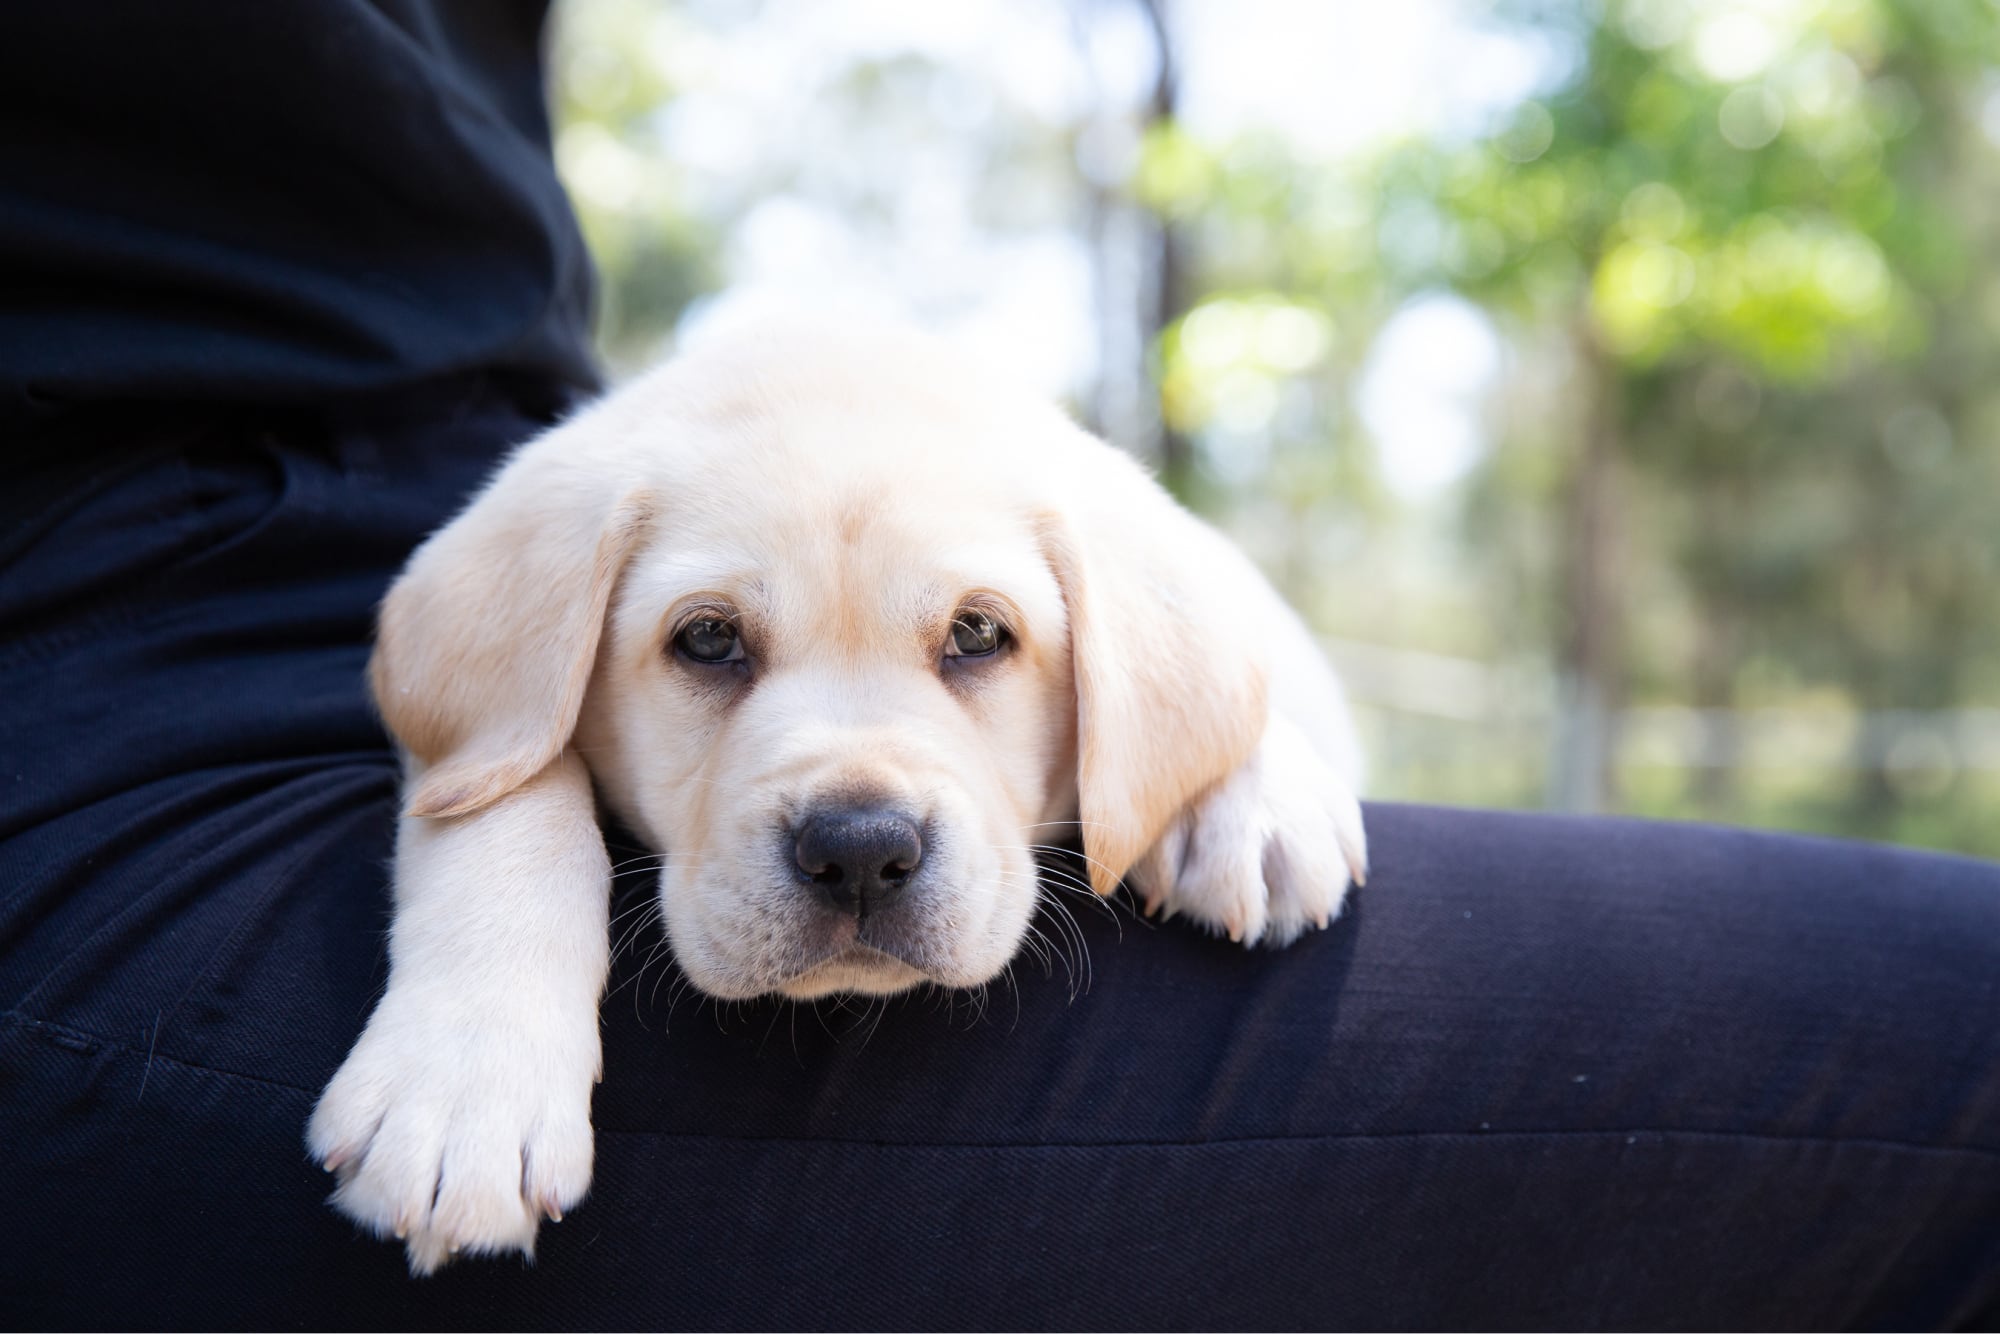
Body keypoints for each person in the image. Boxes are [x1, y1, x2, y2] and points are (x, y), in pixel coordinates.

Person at [2, 3, 1996, 1327]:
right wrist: (495, 977)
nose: (857, 800)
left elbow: (1203, 645)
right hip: (123, 746)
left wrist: (1248, 748)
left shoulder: (1068, 522)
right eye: (716, 647)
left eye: (976, 646)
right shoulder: (572, 533)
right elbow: (480, 742)